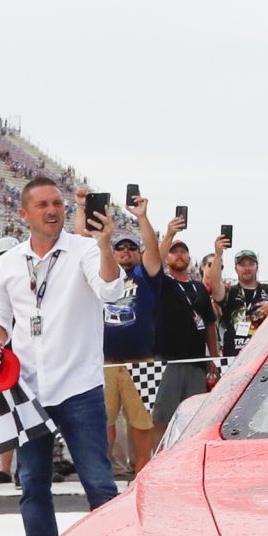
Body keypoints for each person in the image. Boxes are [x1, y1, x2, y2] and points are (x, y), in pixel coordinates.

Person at [0, 177, 129, 536]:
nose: (52, 211)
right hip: (28, 389)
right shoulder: (10, 262)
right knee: (33, 485)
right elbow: (0, 318)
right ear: (24, 213)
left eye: (57, 204)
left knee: (99, 484)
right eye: (43, 205)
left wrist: (105, 244)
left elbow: (112, 291)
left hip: (79, 387)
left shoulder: (85, 249)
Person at [100, 202, 165, 478]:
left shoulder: (144, 277)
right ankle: (102, 474)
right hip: (104, 362)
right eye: (120, 248)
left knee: (142, 424)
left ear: (138, 254)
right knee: (104, 423)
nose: (125, 251)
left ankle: (141, 473)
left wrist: (142, 217)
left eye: (131, 248)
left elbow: (153, 249)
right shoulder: (102, 277)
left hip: (141, 361)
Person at [150, 220, 218, 422]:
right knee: (162, 417)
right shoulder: (161, 283)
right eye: (174, 252)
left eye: (183, 252)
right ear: (166, 257)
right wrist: (169, 234)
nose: (179, 255)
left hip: (196, 363)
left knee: (192, 418)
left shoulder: (199, 287)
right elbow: (153, 263)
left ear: (190, 257)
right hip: (167, 362)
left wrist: (213, 357)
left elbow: (210, 323)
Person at [206, 242, 268, 358]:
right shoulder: (229, 291)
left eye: (251, 264)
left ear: (257, 267)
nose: (247, 268)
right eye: (242, 265)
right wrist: (218, 254)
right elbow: (214, 286)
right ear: (236, 269)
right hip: (234, 358)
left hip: (265, 356)